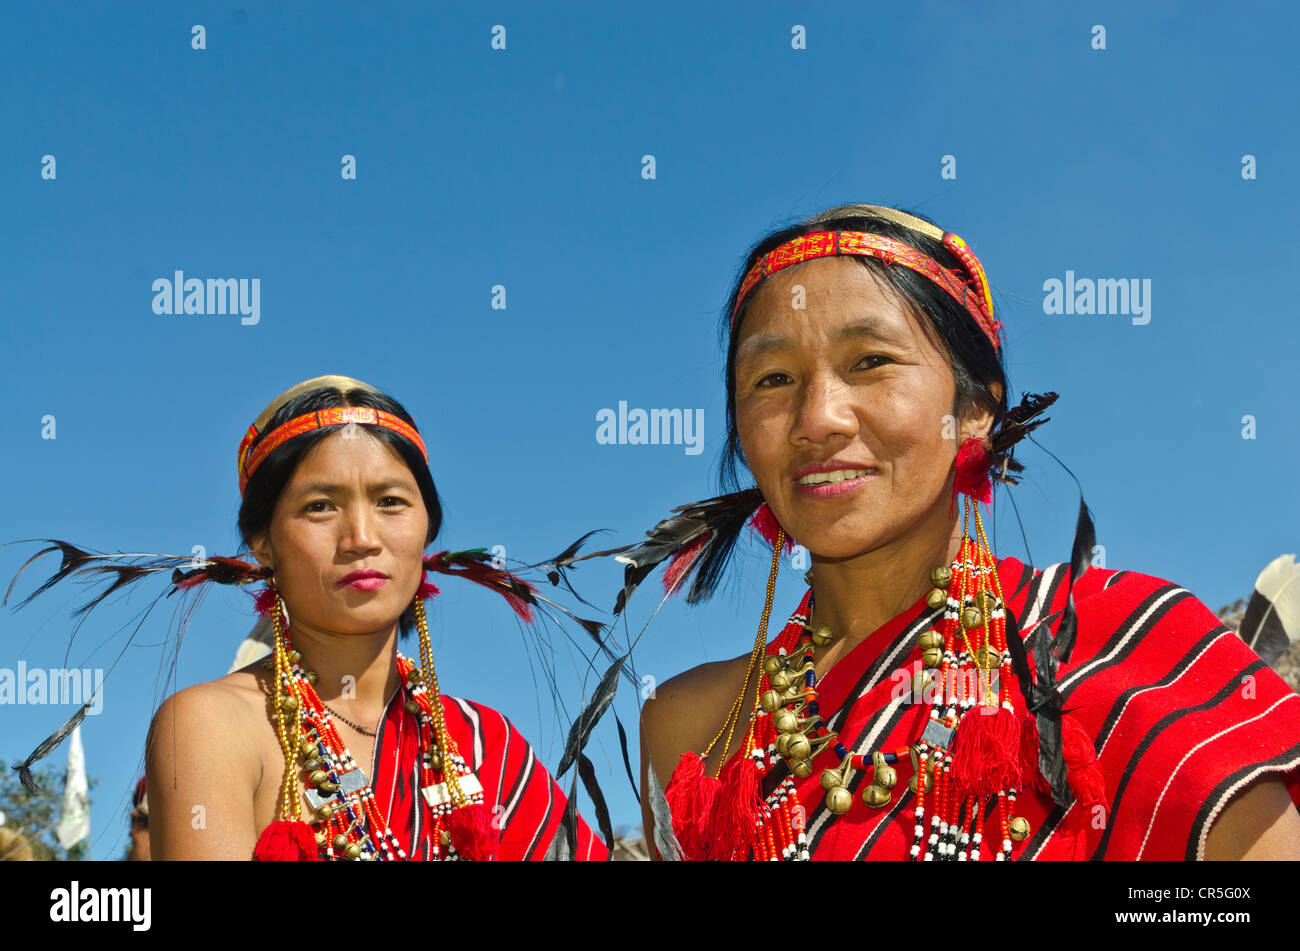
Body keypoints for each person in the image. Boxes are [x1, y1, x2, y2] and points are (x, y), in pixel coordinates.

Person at [630, 205, 1300, 861]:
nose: (819, 418)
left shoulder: (1131, 652)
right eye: (772, 379)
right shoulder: (693, 728)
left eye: (870, 361)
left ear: (976, 407)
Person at [8, 375, 606, 861]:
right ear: (262, 543)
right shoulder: (211, 727)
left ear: (428, 528)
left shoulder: (484, 742)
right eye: (319, 506)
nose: (361, 538)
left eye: (391, 501)